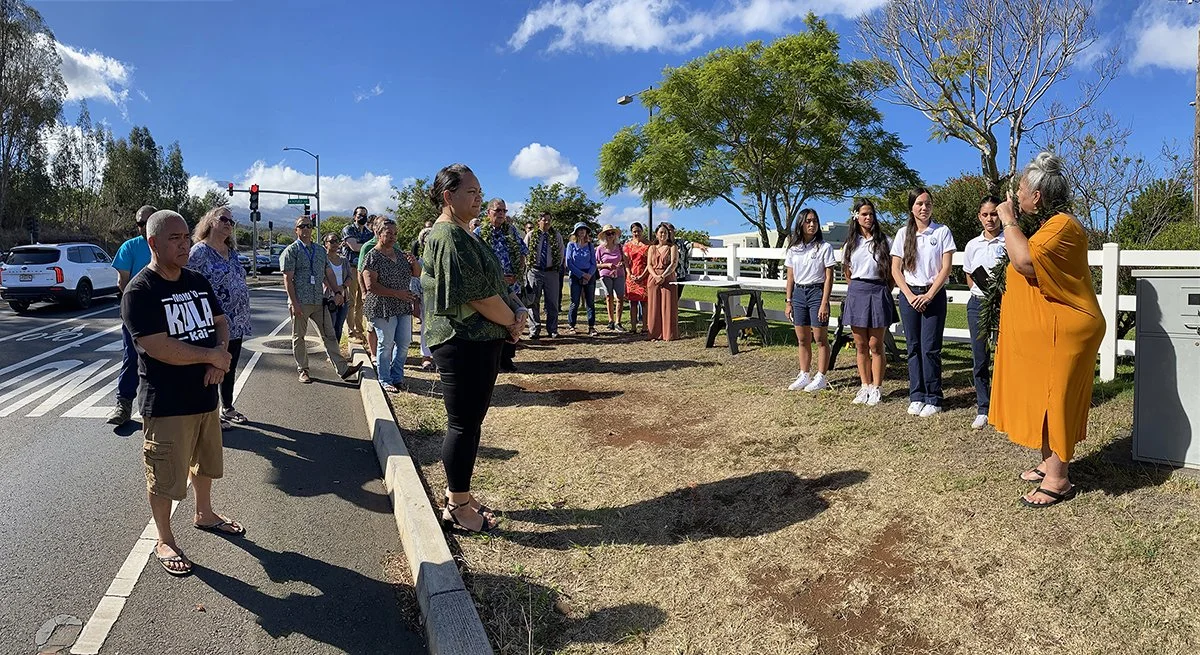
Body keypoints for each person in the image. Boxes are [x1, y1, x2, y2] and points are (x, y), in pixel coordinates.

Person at [123, 210, 243, 577]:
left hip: (205, 397)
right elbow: (158, 345)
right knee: (164, 477)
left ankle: (204, 514)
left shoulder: (196, 280)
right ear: (153, 243)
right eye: (174, 238)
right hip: (167, 403)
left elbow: (221, 322)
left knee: (204, 464)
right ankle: (164, 539)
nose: (183, 244)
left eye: (185, 237)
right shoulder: (140, 291)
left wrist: (218, 361)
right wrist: (212, 355)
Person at [991, 152, 1104, 508]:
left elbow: (1024, 261)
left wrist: (1008, 219)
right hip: (1051, 330)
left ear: (1036, 196)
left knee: (1056, 399)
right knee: (1044, 395)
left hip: (1069, 329)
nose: (1017, 196)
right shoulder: (1051, 225)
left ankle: (1059, 479)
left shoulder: (1064, 226)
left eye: (1020, 190)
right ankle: (1047, 463)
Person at [422, 164, 527, 533]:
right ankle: (458, 506)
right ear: (448, 196)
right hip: (463, 343)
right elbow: (480, 297)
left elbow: (494, 285)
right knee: (464, 425)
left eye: (481, 191)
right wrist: (510, 321)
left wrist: (517, 312)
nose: (479, 198)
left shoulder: (465, 233)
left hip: (478, 341)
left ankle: (461, 495)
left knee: (470, 423)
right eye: (472, 192)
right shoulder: (448, 236)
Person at [891, 188, 956, 417]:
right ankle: (916, 395)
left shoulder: (942, 232)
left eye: (928, 204)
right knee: (914, 347)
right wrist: (909, 296)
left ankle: (933, 397)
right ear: (912, 207)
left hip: (933, 296)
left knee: (930, 349)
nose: (924, 208)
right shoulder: (902, 234)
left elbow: (946, 267)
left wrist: (929, 295)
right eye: (919, 203)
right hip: (909, 296)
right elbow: (895, 270)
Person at [187, 207, 252, 429]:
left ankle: (228, 407)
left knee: (229, 366)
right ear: (210, 222)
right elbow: (188, 284)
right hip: (212, 321)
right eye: (223, 219)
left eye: (231, 222)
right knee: (211, 366)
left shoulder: (231, 251)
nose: (228, 224)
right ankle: (211, 415)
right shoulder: (199, 252)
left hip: (237, 321)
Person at [281, 216, 362, 385]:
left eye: (309, 226)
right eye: (302, 226)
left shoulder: (319, 251)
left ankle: (343, 369)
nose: (306, 228)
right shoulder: (291, 251)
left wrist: (338, 291)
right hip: (300, 302)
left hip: (319, 300)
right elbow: (288, 279)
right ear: (296, 230)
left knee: (330, 335)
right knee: (299, 337)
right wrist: (294, 303)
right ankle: (303, 370)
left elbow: (329, 273)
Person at [107, 204, 157, 425]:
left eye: (146, 223)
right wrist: (133, 306)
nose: (143, 228)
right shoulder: (129, 247)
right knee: (132, 356)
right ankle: (124, 404)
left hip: (165, 311)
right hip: (136, 313)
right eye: (139, 224)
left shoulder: (167, 243)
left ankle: (164, 405)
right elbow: (122, 282)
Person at [841, 199, 893, 407]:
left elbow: (891, 272)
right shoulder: (850, 244)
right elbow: (847, 273)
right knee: (861, 344)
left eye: (871, 214)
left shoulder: (885, 241)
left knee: (875, 344)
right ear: (856, 217)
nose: (868, 218)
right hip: (857, 293)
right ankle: (864, 385)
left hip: (878, 291)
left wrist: (883, 291)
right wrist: (857, 290)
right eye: (864, 214)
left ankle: (877, 387)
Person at [962, 196, 1005, 430]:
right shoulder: (972, 245)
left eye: (994, 214)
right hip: (978, 303)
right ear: (979, 217)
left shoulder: (1009, 241)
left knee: (1003, 355)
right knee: (980, 356)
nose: (990, 219)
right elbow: (969, 274)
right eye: (985, 214)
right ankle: (983, 406)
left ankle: (1003, 405)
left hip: (1004, 305)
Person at [363, 219, 421, 393]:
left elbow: (417, 274)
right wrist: (397, 293)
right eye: (389, 233)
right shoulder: (372, 256)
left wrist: (414, 262)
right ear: (379, 234)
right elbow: (371, 286)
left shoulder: (400, 254)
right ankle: (385, 378)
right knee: (386, 343)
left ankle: (397, 377)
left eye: (395, 233)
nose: (393, 237)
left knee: (403, 343)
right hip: (382, 307)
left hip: (402, 305)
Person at [784, 209, 837, 392]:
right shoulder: (793, 249)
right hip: (799, 293)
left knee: (820, 338)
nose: (812, 224)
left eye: (814, 221)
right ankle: (804, 374)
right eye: (808, 221)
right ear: (800, 224)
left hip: (816, 292)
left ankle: (821, 376)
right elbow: (790, 277)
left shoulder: (824, 247)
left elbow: (829, 277)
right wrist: (788, 301)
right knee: (802, 338)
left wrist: (824, 302)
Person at [475, 199, 529, 372]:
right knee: (493, 321)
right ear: (488, 212)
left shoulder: (512, 231)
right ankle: (493, 360)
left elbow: (522, 253)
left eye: (504, 211)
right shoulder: (478, 233)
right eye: (498, 210)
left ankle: (507, 358)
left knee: (513, 320)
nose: (501, 214)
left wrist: (517, 275)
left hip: (512, 286)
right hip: (490, 287)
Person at [524, 210, 564, 338]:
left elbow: (561, 252)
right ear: (538, 221)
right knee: (533, 301)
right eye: (544, 219)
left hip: (551, 272)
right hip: (534, 271)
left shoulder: (556, 235)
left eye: (548, 219)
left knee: (552, 302)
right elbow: (524, 251)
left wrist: (557, 267)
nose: (546, 222)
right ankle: (534, 329)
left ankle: (552, 329)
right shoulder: (531, 235)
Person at [341, 206, 373, 342]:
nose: (362, 217)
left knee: (361, 301)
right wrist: (362, 245)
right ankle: (351, 330)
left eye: (365, 215)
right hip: (351, 267)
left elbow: (371, 248)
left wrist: (360, 244)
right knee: (351, 300)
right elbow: (355, 247)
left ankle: (359, 330)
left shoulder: (368, 232)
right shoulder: (348, 229)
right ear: (354, 216)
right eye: (360, 215)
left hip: (364, 268)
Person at [646, 222, 680, 342]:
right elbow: (649, 265)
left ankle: (668, 334)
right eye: (661, 232)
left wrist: (663, 275)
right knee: (654, 306)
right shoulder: (651, 248)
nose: (663, 235)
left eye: (665, 233)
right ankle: (654, 333)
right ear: (656, 234)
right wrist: (656, 276)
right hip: (653, 278)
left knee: (668, 306)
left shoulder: (673, 247)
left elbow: (673, 263)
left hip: (668, 277)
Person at [564, 222, 599, 337]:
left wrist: (588, 275)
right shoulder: (571, 245)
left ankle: (591, 326)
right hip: (575, 275)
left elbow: (594, 263)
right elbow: (569, 262)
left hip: (590, 276)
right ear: (576, 232)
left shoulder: (590, 246)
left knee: (590, 302)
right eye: (579, 230)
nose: (582, 232)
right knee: (575, 302)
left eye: (584, 230)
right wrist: (581, 275)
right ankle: (572, 325)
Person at [596, 224, 629, 332]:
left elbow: (625, 260)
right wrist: (607, 265)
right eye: (608, 233)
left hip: (619, 274)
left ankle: (618, 322)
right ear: (604, 235)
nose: (610, 235)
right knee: (609, 296)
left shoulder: (620, 247)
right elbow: (596, 264)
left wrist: (621, 264)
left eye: (612, 233)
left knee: (620, 297)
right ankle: (610, 320)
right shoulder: (600, 249)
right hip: (606, 274)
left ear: (615, 235)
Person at [409, 236, 435, 371]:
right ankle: (426, 357)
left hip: (442, 298)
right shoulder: (420, 262)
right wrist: (416, 304)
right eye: (427, 241)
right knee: (426, 327)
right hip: (426, 298)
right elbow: (415, 283)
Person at [623, 222, 651, 334]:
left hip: (644, 276)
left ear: (642, 231)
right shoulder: (627, 245)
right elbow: (626, 262)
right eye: (634, 231)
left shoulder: (648, 246)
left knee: (644, 303)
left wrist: (642, 275)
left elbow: (650, 263)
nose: (636, 233)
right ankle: (633, 327)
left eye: (638, 231)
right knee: (632, 302)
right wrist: (630, 274)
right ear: (631, 232)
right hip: (632, 277)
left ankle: (645, 326)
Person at [324, 232, 351, 343]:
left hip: (343, 297)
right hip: (330, 297)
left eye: (337, 241)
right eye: (332, 241)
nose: (335, 244)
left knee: (339, 327)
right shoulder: (323, 260)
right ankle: (330, 352)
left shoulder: (344, 260)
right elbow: (323, 278)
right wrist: (335, 291)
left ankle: (337, 352)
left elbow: (349, 277)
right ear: (326, 244)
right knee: (330, 327)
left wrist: (342, 288)